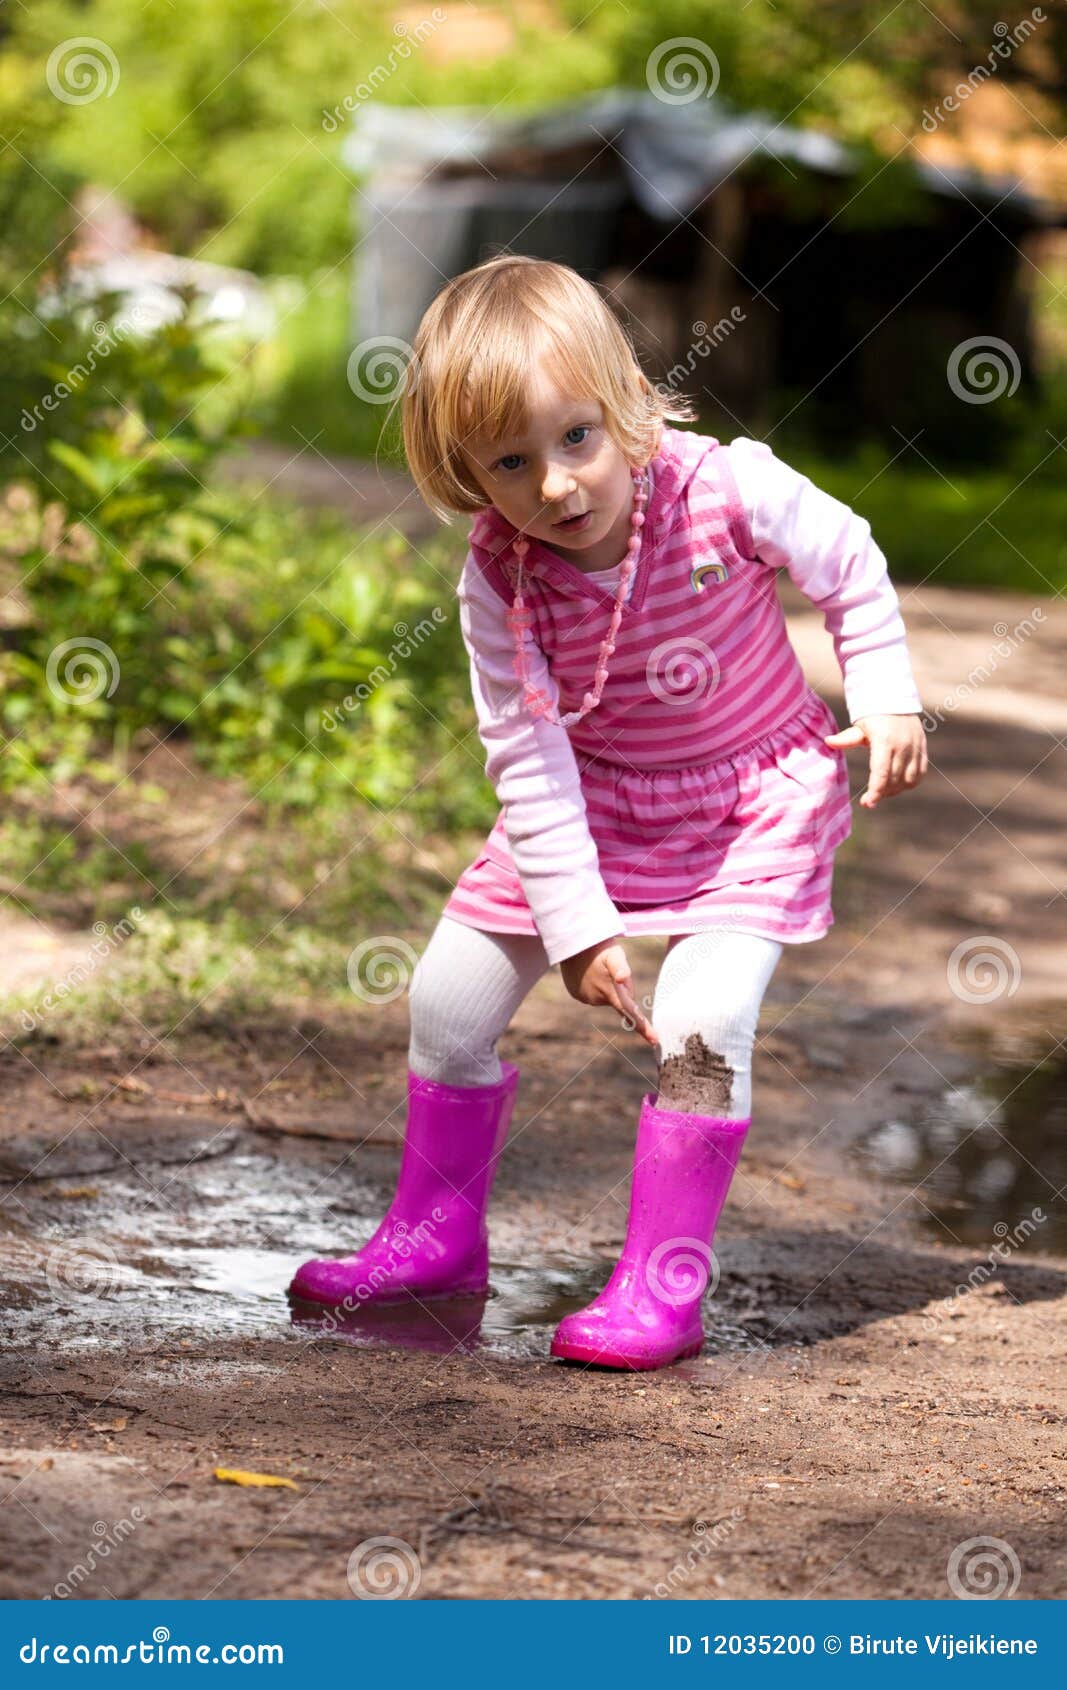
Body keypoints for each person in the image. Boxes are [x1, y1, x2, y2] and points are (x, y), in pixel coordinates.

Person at [288, 255, 928, 1370]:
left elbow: (851, 562)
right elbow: (524, 755)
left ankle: (661, 1283)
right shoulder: (501, 576)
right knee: (445, 997)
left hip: (745, 803)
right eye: (510, 461)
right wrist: (579, 926)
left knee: (699, 1019)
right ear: (463, 472)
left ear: (622, 400)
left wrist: (881, 695)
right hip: (586, 803)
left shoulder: (725, 488)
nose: (555, 485)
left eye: (576, 437)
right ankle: (432, 1234)